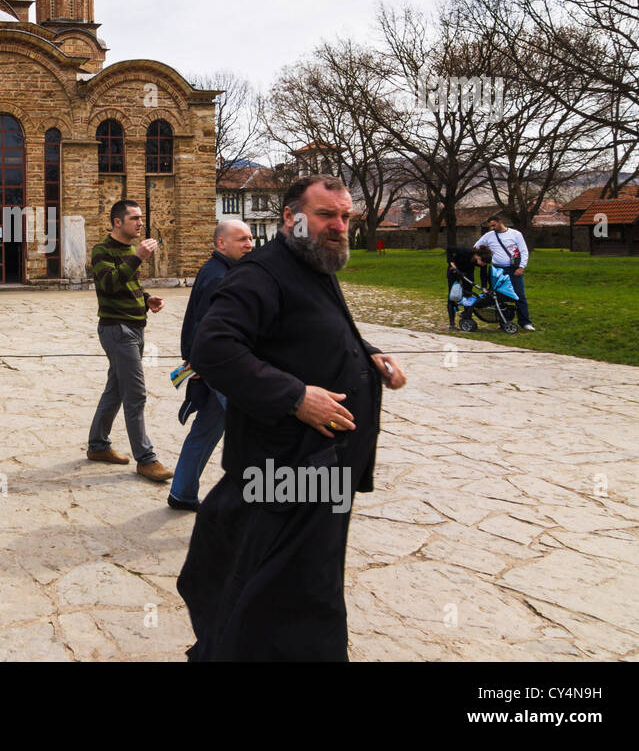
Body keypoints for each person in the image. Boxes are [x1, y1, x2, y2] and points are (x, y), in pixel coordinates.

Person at [177, 175, 407, 661]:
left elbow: (311, 333)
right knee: (295, 598)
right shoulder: (262, 272)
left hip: (320, 471)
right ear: (291, 217)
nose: (339, 226)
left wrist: (368, 354)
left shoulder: (313, 264)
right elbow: (213, 348)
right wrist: (296, 397)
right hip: (286, 472)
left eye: (345, 217)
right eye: (327, 215)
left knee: (292, 591)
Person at [168, 219, 255, 512]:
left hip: (212, 365)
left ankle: (182, 493)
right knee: (252, 431)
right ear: (221, 244)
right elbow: (208, 326)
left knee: (206, 429)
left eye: (250, 238)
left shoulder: (223, 271)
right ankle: (255, 507)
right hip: (223, 369)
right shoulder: (220, 277)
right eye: (242, 239)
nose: (249, 244)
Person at [86, 199, 173, 483]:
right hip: (117, 330)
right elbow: (109, 284)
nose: (139, 222)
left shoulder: (128, 250)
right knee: (136, 394)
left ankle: (98, 445)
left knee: (116, 390)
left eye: (140, 217)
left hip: (135, 328)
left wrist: (147, 299)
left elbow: (129, 284)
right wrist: (137, 258)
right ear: (117, 222)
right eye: (134, 218)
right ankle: (146, 460)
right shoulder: (103, 250)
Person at [473, 214, 535, 330]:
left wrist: (521, 267)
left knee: (519, 295)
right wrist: (484, 256)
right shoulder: (489, 236)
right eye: (490, 226)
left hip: (514, 269)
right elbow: (476, 247)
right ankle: (504, 321)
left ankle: (525, 322)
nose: (492, 228)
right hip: (497, 270)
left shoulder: (515, 234)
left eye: (494, 225)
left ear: (500, 222)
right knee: (498, 296)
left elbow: (524, 251)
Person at [445, 244, 477, 329]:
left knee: (468, 294)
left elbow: (483, 274)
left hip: (468, 273)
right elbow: (449, 248)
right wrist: (451, 263)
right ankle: (452, 323)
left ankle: (466, 318)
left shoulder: (481, 261)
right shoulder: (465, 250)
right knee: (453, 295)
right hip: (454, 272)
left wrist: (484, 286)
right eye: (482, 262)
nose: (482, 265)